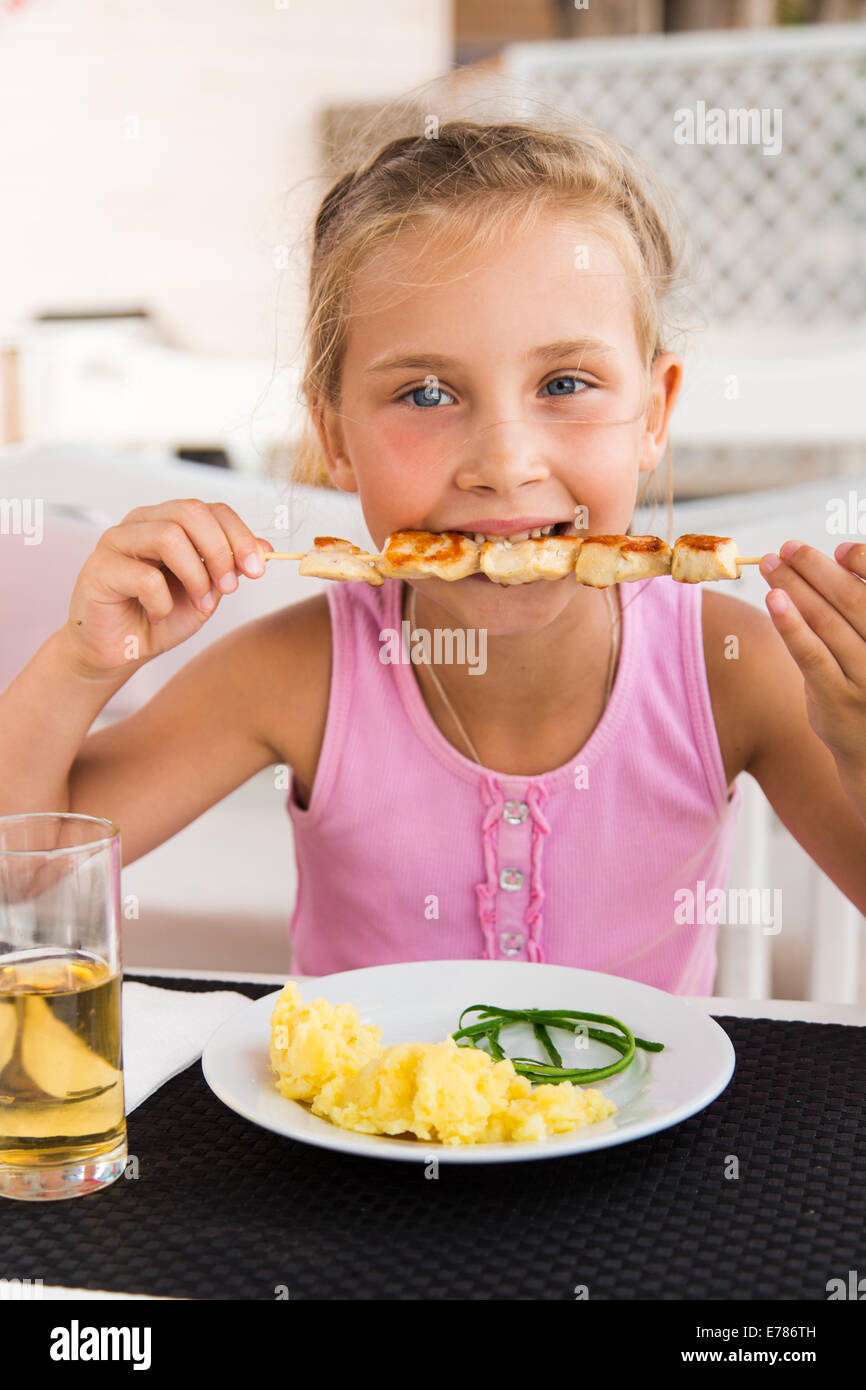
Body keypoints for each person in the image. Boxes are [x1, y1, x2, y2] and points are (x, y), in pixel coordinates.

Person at [3, 118, 865, 992]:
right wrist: (83, 660)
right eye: (425, 393)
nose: (504, 464)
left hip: (655, 1125)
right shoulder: (304, 670)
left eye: (565, 384)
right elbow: (24, 873)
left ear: (653, 412)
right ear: (335, 438)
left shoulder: (729, 666)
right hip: (352, 1130)